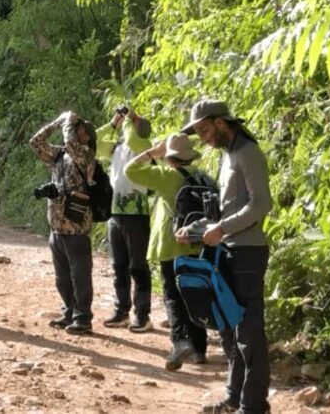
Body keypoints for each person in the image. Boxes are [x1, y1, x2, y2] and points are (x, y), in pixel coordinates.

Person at [176, 100, 272, 414]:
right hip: (228, 250)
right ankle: (235, 397)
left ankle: (254, 405)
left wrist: (222, 227)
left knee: (249, 331)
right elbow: (223, 212)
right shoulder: (228, 156)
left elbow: (260, 206)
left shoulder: (248, 153)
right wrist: (194, 229)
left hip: (248, 252)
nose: (202, 138)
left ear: (220, 122)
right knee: (230, 329)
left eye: (204, 130)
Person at [125, 134, 209, 371]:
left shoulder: (166, 176)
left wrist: (153, 152)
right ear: (190, 155)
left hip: (171, 244)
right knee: (194, 294)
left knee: (173, 295)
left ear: (169, 157)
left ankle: (180, 341)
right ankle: (200, 350)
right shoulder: (203, 176)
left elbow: (130, 170)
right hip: (198, 244)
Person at [30, 111, 97, 335]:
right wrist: (58, 122)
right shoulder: (59, 155)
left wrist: (68, 122)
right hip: (57, 227)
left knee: (80, 275)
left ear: (88, 138)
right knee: (62, 277)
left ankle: (83, 317)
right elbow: (36, 142)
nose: (76, 133)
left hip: (76, 227)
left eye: (81, 131)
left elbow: (70, 143)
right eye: (75, 129)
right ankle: (69, 311)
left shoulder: (86, 154)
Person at [95, 108, 153, 332]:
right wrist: (112, 123)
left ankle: (142, 314)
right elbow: (95, 145)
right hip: (115, 214)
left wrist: (131, 120)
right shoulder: (117, 148)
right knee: (119, 266)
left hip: (137, 215)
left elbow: (133, 138)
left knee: (138, 266)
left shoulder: (145, 148)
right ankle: (122, 311)